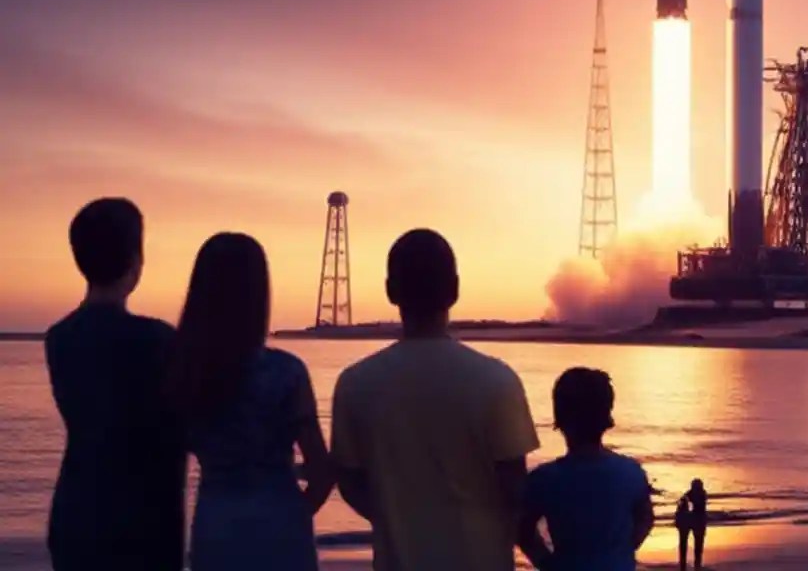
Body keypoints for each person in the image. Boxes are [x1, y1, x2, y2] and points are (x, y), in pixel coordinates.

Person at [331, 229, 539, 570]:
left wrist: (396, 514)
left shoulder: (355, 384)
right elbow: (517, 491)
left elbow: (350, 483)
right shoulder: (497, 381)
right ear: (455, 290)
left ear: (390, 290)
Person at [170, 233, 333, 570]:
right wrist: (293, 514)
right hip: (280, 522)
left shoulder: (183, 371)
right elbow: (322, 471)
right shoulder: (286, 372)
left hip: (217, 524)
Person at [44, 198, 187, 570]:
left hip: (77, 512)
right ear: (135, 260)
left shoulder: (59, 338)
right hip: (145, 522)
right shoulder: (159, 340)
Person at [518, 368, 654, 571]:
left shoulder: (544, 480)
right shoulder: (631, 472)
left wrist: (547, 564)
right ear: (607, 417)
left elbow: (522, 529)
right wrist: (621, 553)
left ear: (560, 419)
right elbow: (645, 519)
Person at [681, 479, 709, 571]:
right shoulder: (689, 495)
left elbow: (698, 507)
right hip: (694, 521)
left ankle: (694, 565)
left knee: (697, 546)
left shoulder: (701, 495)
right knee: (693, 545)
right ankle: (686, 565)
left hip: (697, 521)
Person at [674, 497, 693, 571]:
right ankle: (683, 565)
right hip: (685, 530)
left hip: (682, 531)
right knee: (684, 547)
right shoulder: (687, 513)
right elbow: (690, 523)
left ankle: (682, 566)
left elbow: (677, 523)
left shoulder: (679, 512)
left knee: (682, 547)